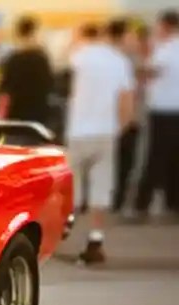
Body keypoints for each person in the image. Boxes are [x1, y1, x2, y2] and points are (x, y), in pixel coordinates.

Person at [65, 23, 136, 264]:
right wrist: (119, 128)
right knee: (101, 187)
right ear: (120, 37)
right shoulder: (120, 62)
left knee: (72, 187)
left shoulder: (81, 56)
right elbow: (127, 101)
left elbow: (66, 82)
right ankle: (95, 240)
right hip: (105, 132)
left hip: (77, 131)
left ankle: (62, 232)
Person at [132, 10, 179, 221]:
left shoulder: (166, 49)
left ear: (166, 26)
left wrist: (138, 65)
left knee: (155, 157)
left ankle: (141, 205)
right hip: (175, 109)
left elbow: (148, 71)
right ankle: (173, 203)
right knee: (175, 158)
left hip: (162, 110)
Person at [108, 18, 145, 213]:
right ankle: (114, 200)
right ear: (121, 36)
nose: (135, 39)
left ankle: (116, 200)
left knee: (123, 162)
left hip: (125, 118)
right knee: (121, 162)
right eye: (131, 35)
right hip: (122, 119)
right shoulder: (123, 60)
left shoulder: (128, 58)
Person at [0, 16, 54, 125]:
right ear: (34, 32)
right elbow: (50, 85)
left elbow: (5, 91)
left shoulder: (12, 59)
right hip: (38, 115)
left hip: (15, 115)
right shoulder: (41, 59)